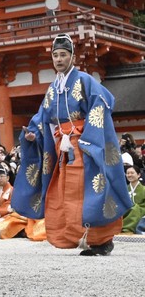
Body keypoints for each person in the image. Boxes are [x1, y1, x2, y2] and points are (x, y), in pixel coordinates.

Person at [12, 33, 131, 256]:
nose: (59, 59)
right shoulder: (52, 88)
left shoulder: (85, 80)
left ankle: (100, 240)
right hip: (61, 148)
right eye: (55, 55)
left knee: (85, 191)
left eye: (63, 55)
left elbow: (104, 101)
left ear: (72, 57)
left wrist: (89, 136)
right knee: (62, 191)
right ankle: (73, 237)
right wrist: (33, 135)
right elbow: (43, 117)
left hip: (83, 145)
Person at [122, 165, 145, 233]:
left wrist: (137, 207)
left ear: (138, 175)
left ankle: (127, 228)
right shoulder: (124, 189)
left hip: (140, 211)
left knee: (135, 209)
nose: (129, 175)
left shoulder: (144, 189)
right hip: (126, 211)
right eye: (127, 173)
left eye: (132, 173)